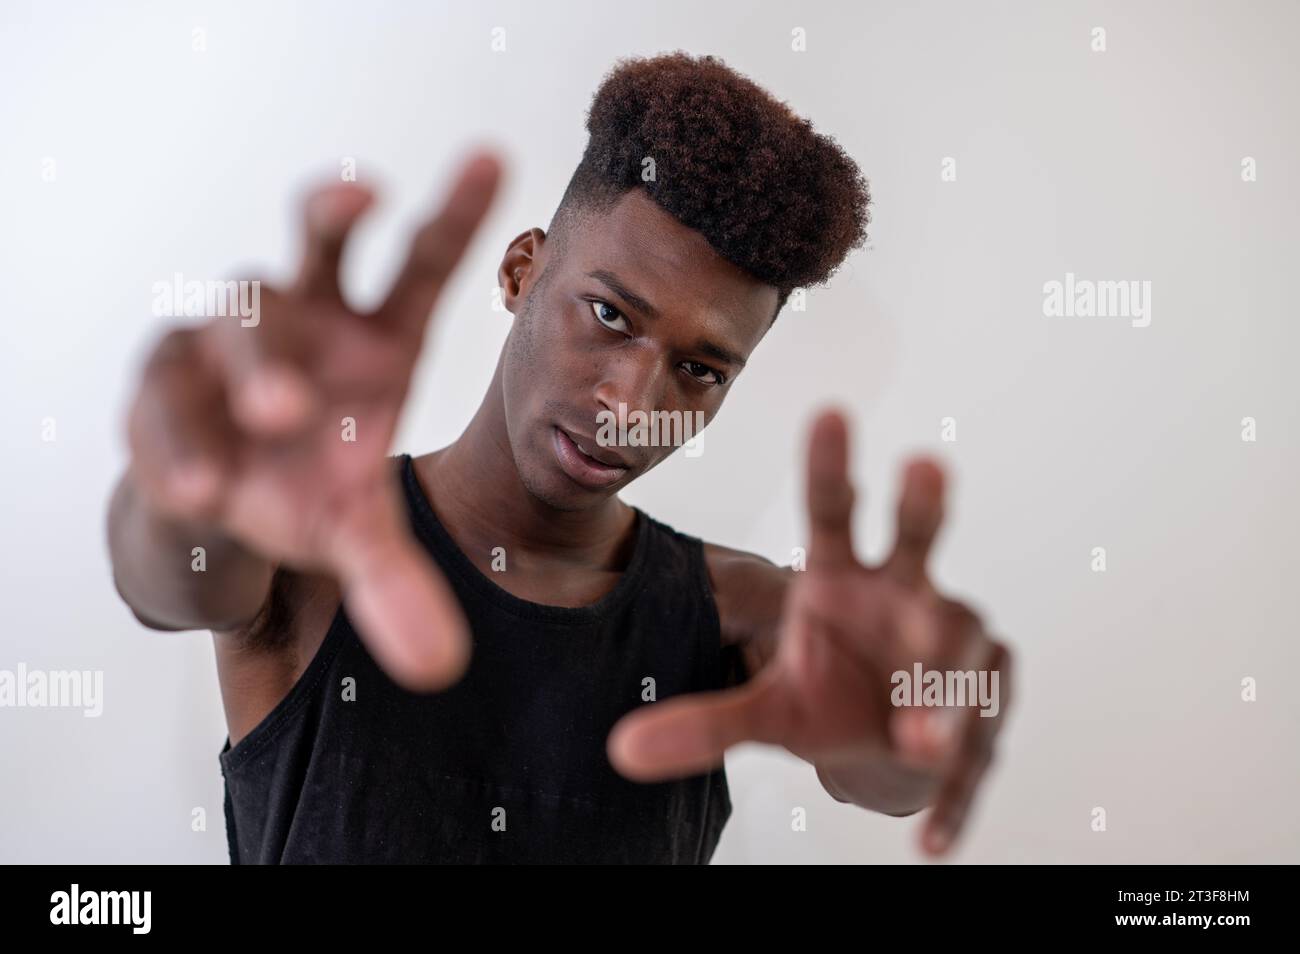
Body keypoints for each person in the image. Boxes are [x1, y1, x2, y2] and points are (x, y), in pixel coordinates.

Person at [106, 51, 1013, 864]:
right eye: (610, 315)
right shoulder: (318, 551)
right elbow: (171, 583)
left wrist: (909, 722)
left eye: (699, 370)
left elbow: (883, 766)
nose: (632, 408)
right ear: (520, 272)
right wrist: (188, 494)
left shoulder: (738, 612)